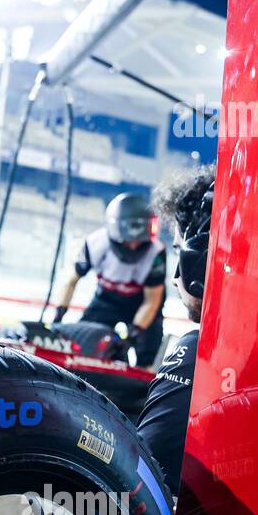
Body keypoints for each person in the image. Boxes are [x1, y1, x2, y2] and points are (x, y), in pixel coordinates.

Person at [136, 166, 214, 494]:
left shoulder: (202, 352)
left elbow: (139, 486)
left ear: (199, 261)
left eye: (180, 254)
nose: (175, 278)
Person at [52, 193, 167, 368]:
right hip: (106, 300)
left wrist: (133, 333)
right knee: (85, 339)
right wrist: (59, 312)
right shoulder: (94, 244)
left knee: (149, 347)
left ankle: (144, 379)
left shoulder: (156, 253)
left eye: (139, 241)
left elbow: (152, 301)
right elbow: (70, 280)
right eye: (129, 241)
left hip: (141, 302)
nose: (134, 246)